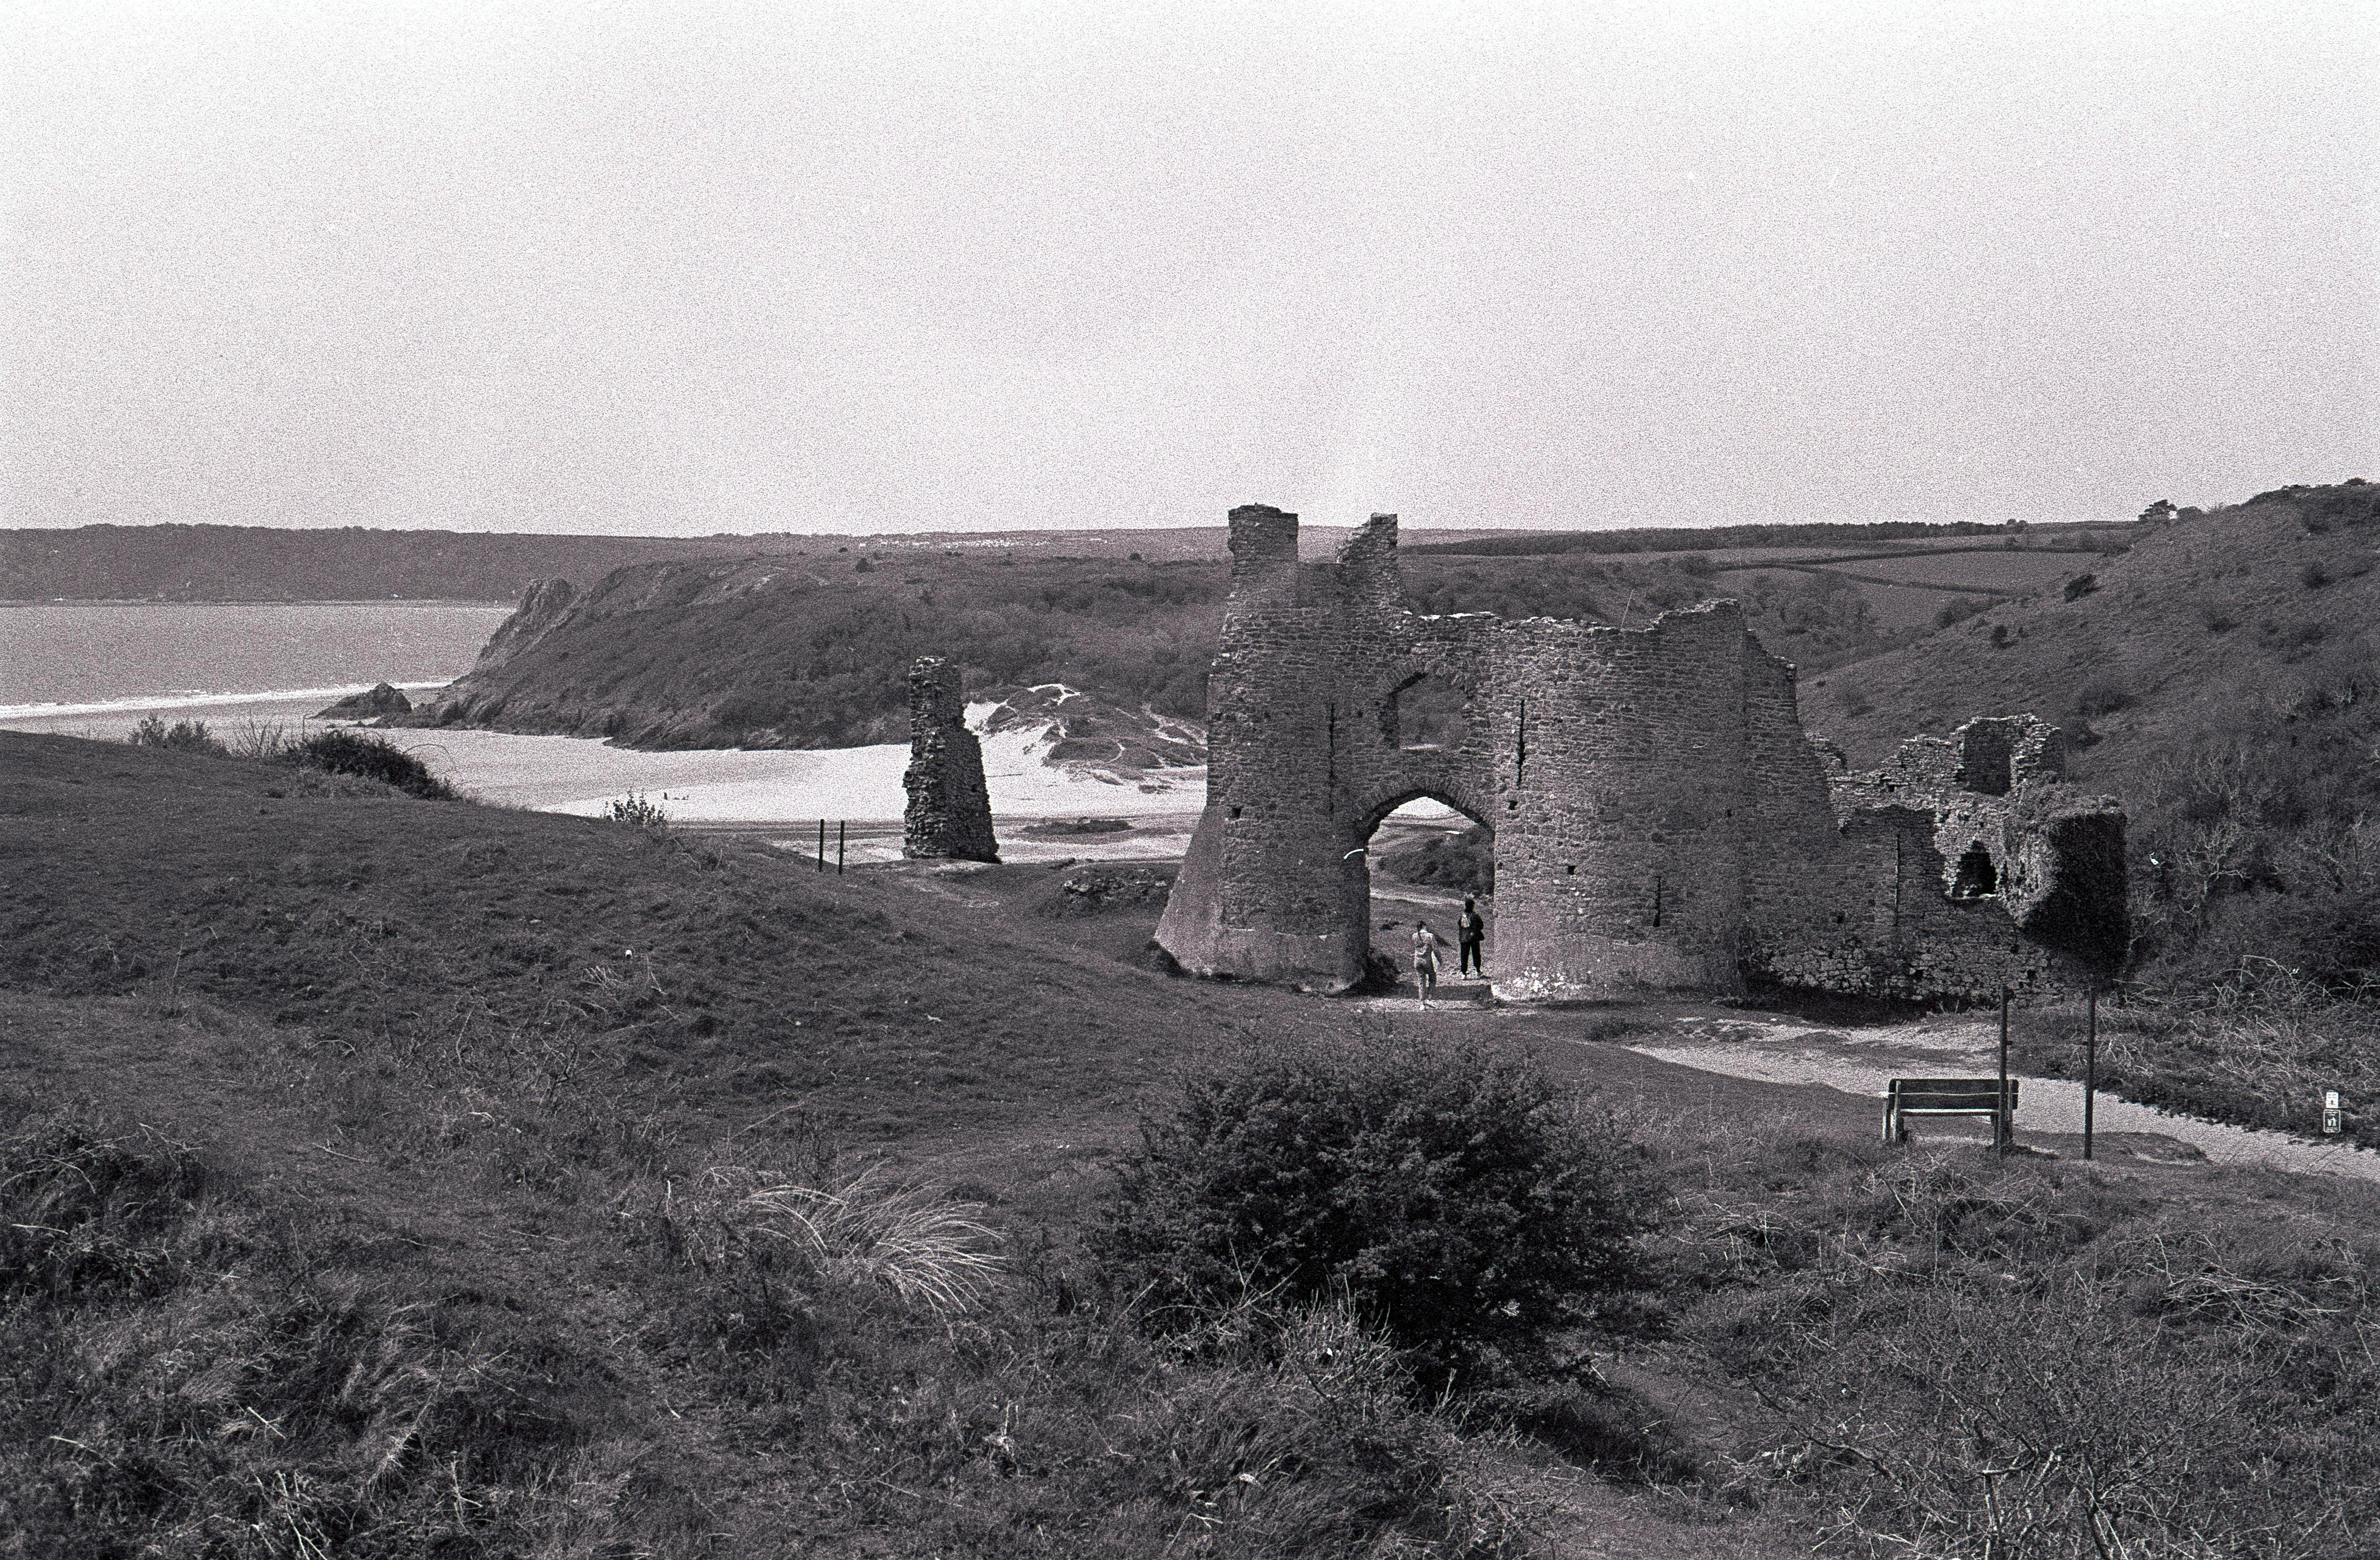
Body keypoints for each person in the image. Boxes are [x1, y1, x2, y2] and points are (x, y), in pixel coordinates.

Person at [1409, 921, 1448, 1007]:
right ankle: (1429, 998)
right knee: (1433, 979)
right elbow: (1436, 950)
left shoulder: (1415, 936)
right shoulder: (1430, 936)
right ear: (1424, 926)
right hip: (1428, 961)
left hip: (1417, 961)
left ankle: (1422, 1003)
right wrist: (1440, 960)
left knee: (1421, 982)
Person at [1458, 897, 1486, 978]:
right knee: (1476, 955)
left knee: (1464, 956)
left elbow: (1460, 925)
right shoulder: (1475, 916)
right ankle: (1478, 971)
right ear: (1473, 906)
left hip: (1464, 938)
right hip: (1474, 938)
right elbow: (1481, 926)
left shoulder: (1462, 916)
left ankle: (1464, 973)